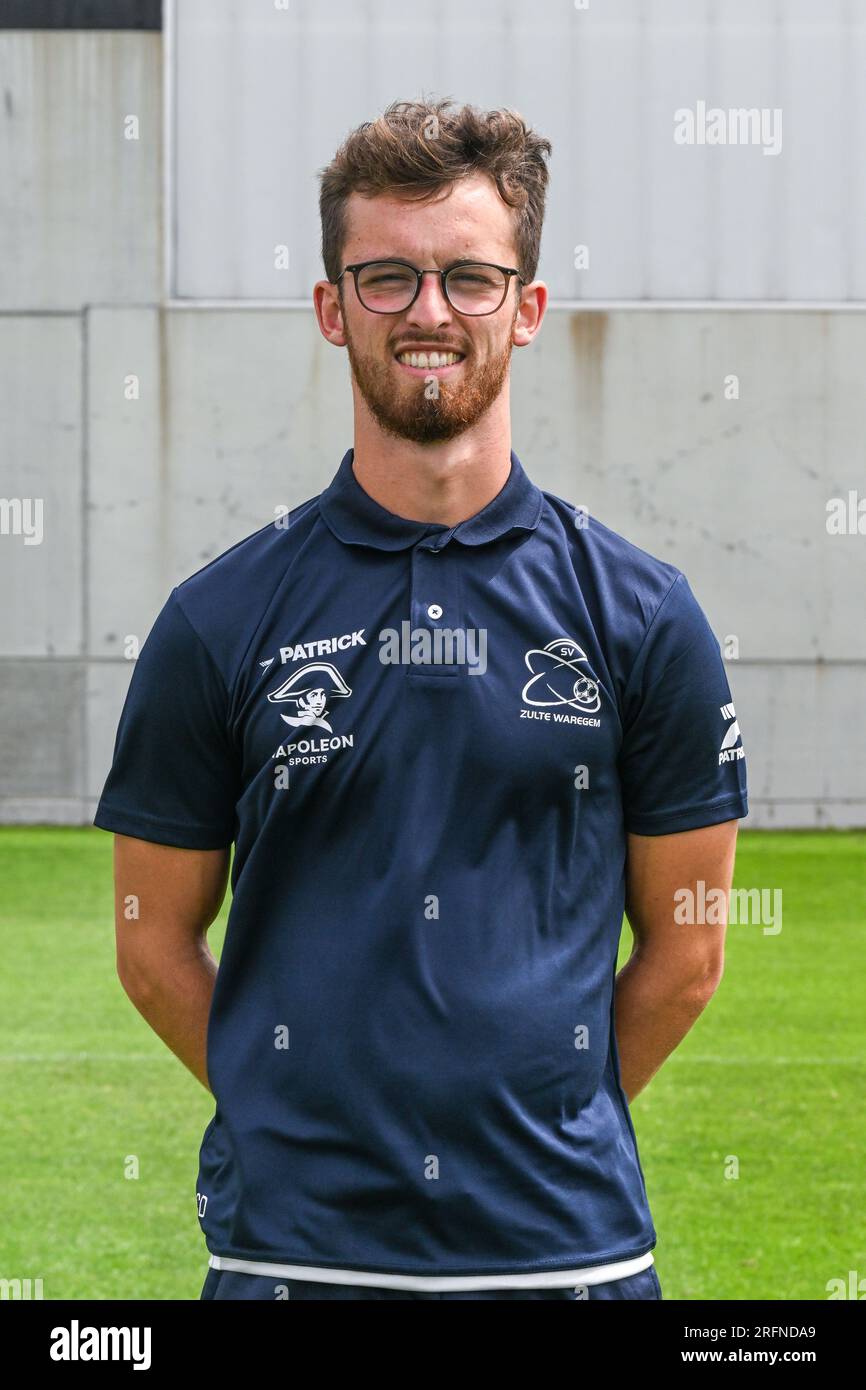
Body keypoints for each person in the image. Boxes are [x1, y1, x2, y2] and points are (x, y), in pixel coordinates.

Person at [94, 98, 748, 1301]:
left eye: (469, 278)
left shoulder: (643, 616)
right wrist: (295, 1108)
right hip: (288, 1257)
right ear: (331, 309)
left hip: (566, 1255)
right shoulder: (217, 618)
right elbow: (150, 944)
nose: (429, 312)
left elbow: (687, 950)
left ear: (528, 308)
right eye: (385, 278)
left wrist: (543, 1116)